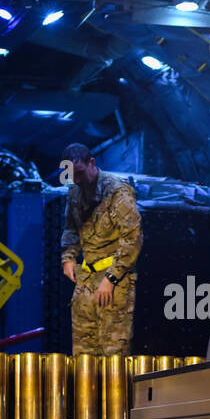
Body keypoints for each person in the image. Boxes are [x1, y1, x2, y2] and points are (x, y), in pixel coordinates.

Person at [59, 144, 141, 355]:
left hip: (114, 281)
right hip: (85, 278)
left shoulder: (116, 191)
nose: (76, 180)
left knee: (113, 353)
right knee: (84, 355)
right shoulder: (74, 191)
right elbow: (71, 227)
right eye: (70, 175)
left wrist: (111, 279)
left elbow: (132, 237)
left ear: (92, 163)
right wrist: (68, 257)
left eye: (79, 173)